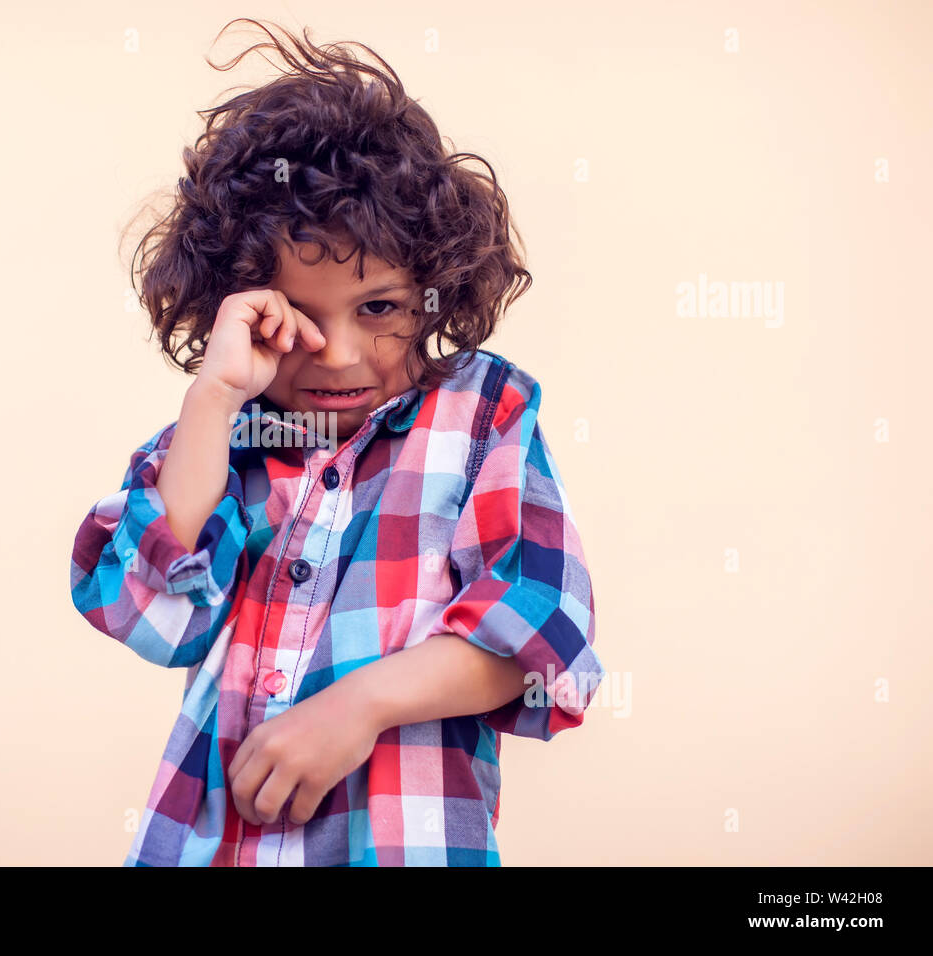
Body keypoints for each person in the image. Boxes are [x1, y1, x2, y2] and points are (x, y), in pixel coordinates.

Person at [70, 19, 605, 866]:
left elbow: (544, 634)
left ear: (435, 292)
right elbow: (149, 616)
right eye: (298, 318)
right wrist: (212, 400)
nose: (342, 355)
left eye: (379, 309)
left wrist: (357, 706)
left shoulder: (481, 417)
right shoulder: (225, 442)